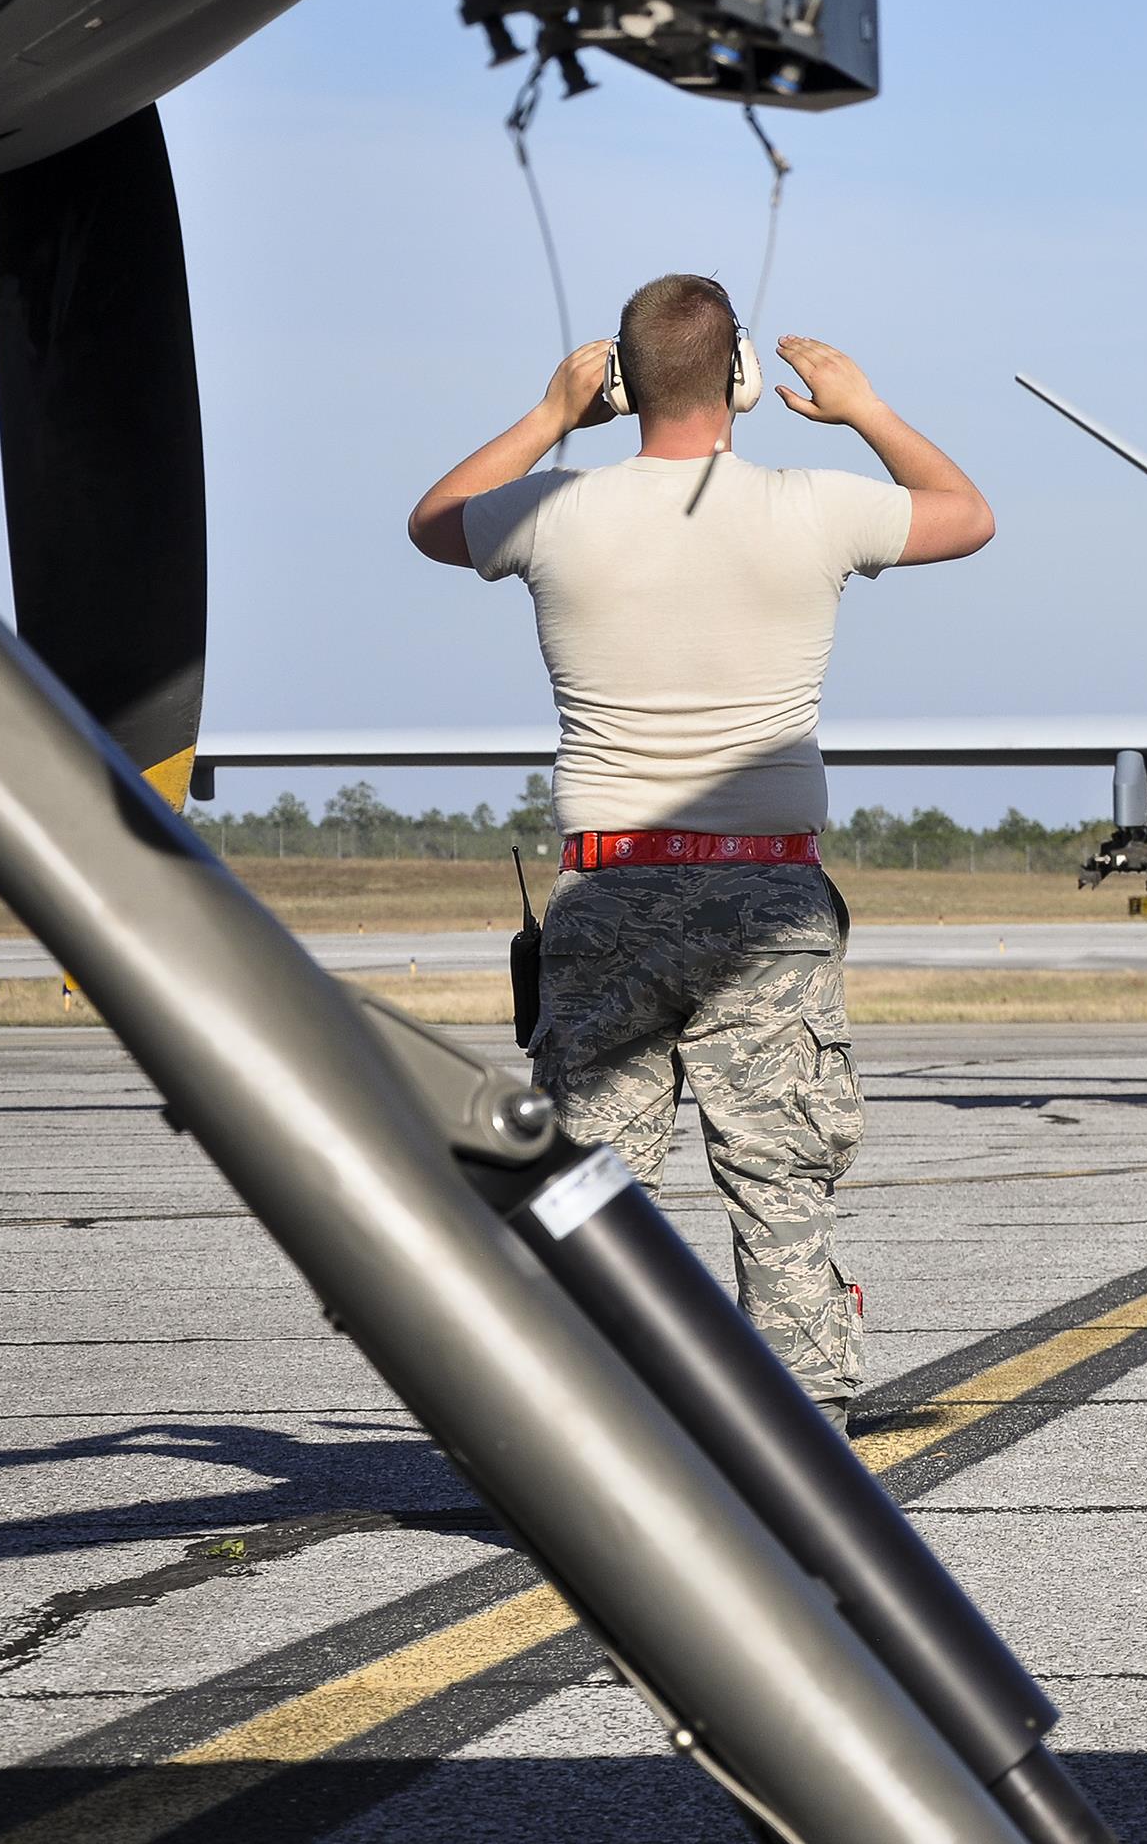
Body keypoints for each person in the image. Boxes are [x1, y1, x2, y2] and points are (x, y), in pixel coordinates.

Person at [407, 274, 993, 1429]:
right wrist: (866, 407)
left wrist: (547, 415)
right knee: (779, 1175)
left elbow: (433, 521)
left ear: (619, 384)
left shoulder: (554, 510)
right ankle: (805, 1427)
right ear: (739, 380)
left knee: (585, 1185)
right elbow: (965, 513)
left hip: (610, 886)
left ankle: (582, 1421)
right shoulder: (809, 503)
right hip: (765, 892)